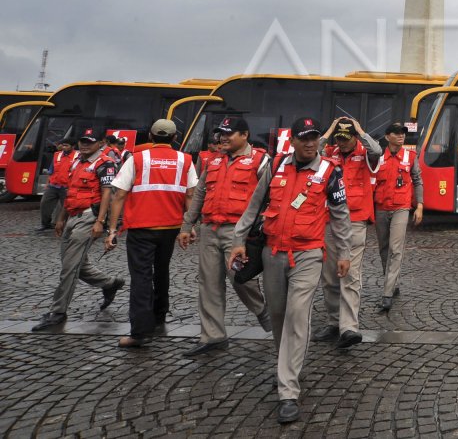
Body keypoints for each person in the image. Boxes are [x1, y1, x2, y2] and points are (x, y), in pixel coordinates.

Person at [228, 116, 352, 425]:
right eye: (304, 138)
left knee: (298, 314)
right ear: (293, 141)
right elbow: (255, 205)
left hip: (308, 254)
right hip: (272, 253)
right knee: (280, 315)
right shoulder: (277, 165)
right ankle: (288, 367)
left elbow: (341, 214)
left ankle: (288, 391)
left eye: (314, 138)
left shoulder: (329, 172)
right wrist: (238, 239)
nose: (310, 143)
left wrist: (345, 253)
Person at [176, 116, 272, 356]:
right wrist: (187, 225)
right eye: (222, 134)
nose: (224, 138)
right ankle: (213, 336)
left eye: (230, 133)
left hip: (239, 232)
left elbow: (271, 196)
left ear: (245, 135)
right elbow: (199, 194)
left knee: (242, 279)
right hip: (210, 228)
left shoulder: (260, 160)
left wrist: (262, 227)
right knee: (208, 284)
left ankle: (265, 313)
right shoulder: (214, 160)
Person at [105, 119, 197, 348]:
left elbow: (119, 195)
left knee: (141, 277)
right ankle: (159, 314)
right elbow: (190, 196)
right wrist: (189, 226)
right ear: (175, 138)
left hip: (141, 228)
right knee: (162, 271)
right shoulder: (185, 160)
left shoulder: (137, 158)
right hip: (170, 227)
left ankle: (140, 332)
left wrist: (113, 229)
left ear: (151, 137)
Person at [32, 126, 124, 331]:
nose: (84, 144)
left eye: (90, 141)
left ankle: (58, 311)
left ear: (101, 143)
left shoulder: (105, 164)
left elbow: (108, 194)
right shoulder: (76, 162)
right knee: (74, 264)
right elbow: (71, 191)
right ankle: (111, 283)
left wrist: (101, 222)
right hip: (72, 215)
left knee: (69, 268)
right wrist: (61, 218)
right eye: (83, 141)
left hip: (89, 218)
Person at [310, 116, 380, 348]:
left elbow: (377, 150)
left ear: (354, 137)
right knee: (329, 276)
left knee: (350, 275)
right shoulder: (329, 152)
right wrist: (330, 130)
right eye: (339, 138)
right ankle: (333, 322)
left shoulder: (366, 153)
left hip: (356, 221)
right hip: (329, 221)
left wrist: (361, 131)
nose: (342, 143)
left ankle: (349, 327)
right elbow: (313, 150)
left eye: (346, 138)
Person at [373, 122, 423, 312]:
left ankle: (387, 294)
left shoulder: (410, 157)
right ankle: (393, 282)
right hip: (381, 208)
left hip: (401, 208)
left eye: (403, 133)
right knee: (384, 250)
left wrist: (419, 206)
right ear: (387, 137)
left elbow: (418, 181)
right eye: (396, 133)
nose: (401, 136)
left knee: (395, 249)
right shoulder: (377, 157)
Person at [38, 140, 75, 231]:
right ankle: (46, 224)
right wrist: (47, 183)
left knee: (66, 208)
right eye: (63, 145)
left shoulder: (78, 156)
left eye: (66, 145)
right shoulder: (57, 155)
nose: (64, 147)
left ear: (73, 146)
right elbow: (51, 170)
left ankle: (63, 225)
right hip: (53, 185)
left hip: (67, 187)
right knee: (44, 204)